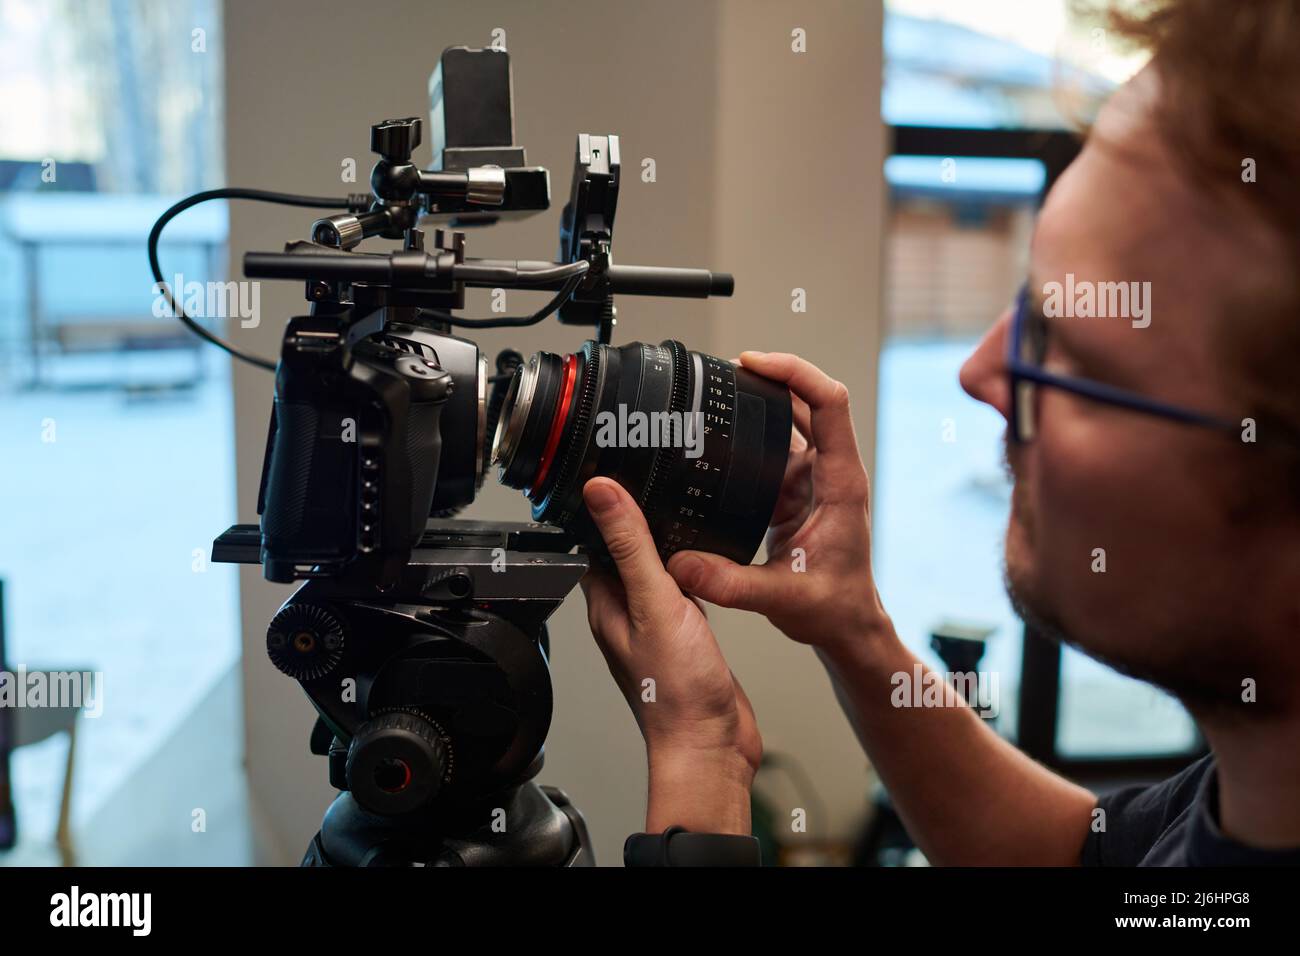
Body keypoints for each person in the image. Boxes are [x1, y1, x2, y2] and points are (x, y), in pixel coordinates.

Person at [579, 0, 1300, 865]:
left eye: (1065, 351)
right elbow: (1076, 855)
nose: (977, 374)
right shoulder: (1254, 795)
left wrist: (705, 763)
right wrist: (852, 626)